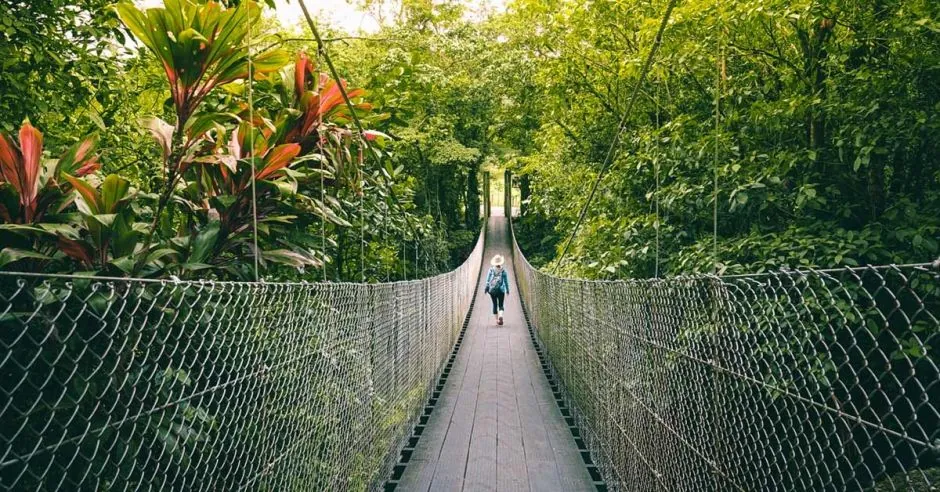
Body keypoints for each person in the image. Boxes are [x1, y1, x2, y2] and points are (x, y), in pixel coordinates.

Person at [484, 254, 510, 325]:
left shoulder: (491, 270)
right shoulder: (503, 271)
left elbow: (487, 280)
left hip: (492, 290)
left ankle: (497, 321)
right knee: (501, 305)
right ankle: (501, 316)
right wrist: (507, 290)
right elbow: (506, 281)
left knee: (494, 304)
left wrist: (486, 288)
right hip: (501, 290)